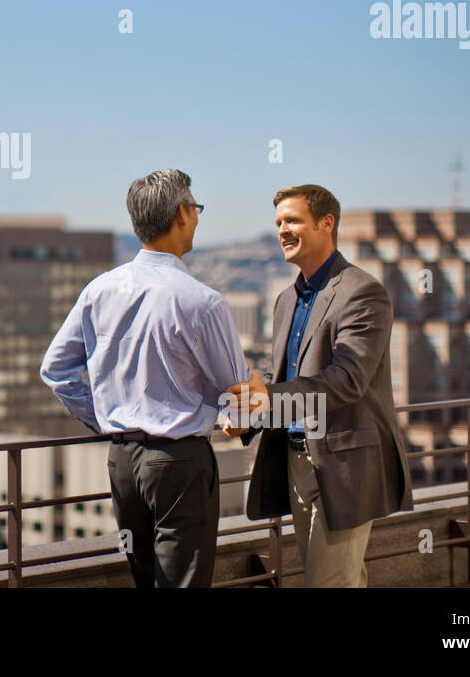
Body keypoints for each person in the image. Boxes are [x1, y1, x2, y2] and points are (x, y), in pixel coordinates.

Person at [41, 168, 251, 587]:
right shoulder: (203, 302)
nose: (197, 217)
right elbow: (239, 392)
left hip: (122, 462)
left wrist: (105, 420)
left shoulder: (99, 290)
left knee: (144, 579)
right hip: (178, 463)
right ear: (181, 215)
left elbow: (56, 370)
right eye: (196, 208)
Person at [225, 184, 413, 587]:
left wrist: (264, 402)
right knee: (341, 579)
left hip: (342, 466)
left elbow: (347, 381)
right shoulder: (285, 301)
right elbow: (283, 384)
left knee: (328, 583)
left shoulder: (362, 292)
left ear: (327, 224)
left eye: (292, 220)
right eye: (278, 222)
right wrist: (249, 418)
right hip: (296, 463)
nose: (282, 230)